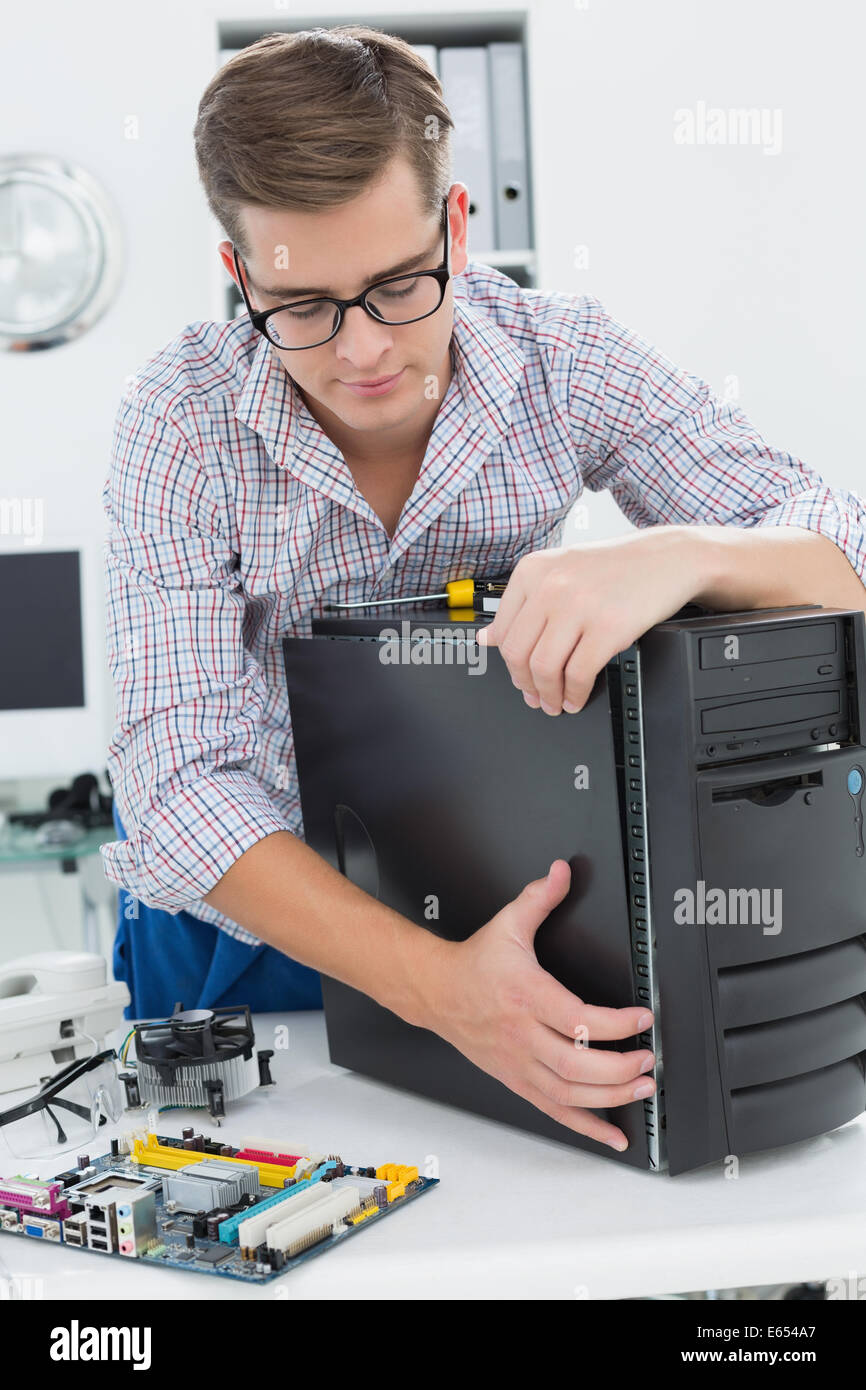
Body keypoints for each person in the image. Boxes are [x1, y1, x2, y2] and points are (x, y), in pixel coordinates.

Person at [101, 26, 866, 1155]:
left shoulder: (558, 356)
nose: (360, 350)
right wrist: (439, 990)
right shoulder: (181, 421)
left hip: (489, 901)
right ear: (239, 275)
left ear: (456, 228)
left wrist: (691, 552)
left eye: (399, 285)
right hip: (247, 933)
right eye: (301, 305)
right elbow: (176, 789)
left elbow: (837, 548)